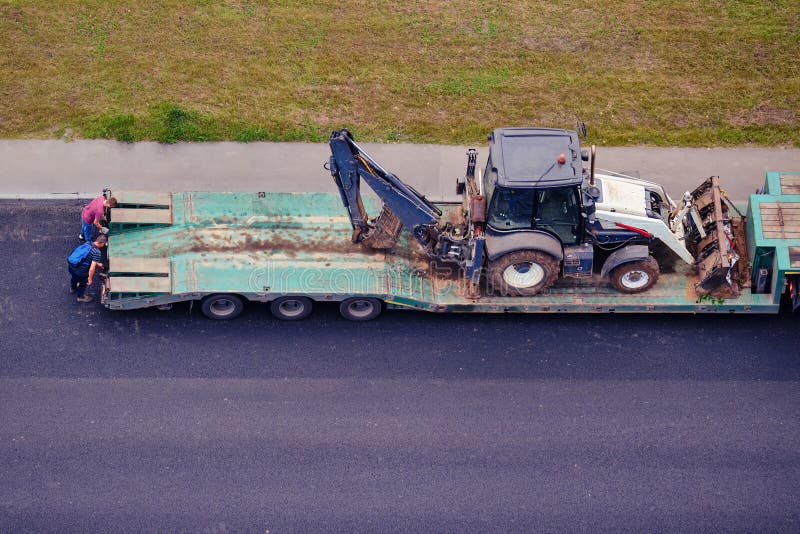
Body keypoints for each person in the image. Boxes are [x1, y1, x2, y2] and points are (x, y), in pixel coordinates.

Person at [68, 234, 107, 303]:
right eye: (104, 244)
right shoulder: (97, 253)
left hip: (72, 267)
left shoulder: (87, 243)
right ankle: (80, 297)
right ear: (102, 243)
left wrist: (97, 263)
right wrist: (90, 279)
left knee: (74, 278)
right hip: (81, 272)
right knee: (82, 284)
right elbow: (92, 268)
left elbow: (85, 257)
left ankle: (73, 288)